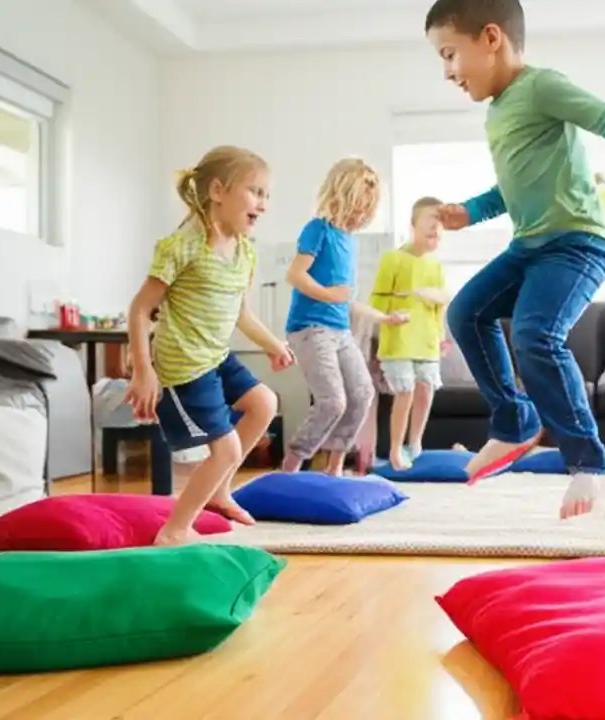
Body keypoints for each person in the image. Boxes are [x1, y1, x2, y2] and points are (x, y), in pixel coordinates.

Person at [424, 0, 605, 519]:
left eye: (450, 54)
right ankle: (513, 421)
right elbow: (512, 186)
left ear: (491, 37)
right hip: (530, 246)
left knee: (535, 334)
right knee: (465, 312)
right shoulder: (499, 111)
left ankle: (589, 460)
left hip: (578, 243)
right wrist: (468, 212)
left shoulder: (540, 86)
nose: (447, 71)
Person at [124, 145, 295, 546]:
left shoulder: (245, 252)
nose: (263, 205)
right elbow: (139, 309)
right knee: (226, 448)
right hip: (183, 366)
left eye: (267, 195)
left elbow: (241, 314)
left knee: (265, 403)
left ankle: (219, 492)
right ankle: (174, 529)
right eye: (255, 192)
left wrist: (273, 344)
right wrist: (144, 370)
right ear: (218, 191)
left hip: (216, 357)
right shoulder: (183, 245)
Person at [281, 158, 408, 476]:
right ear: (339, 197)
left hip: (339, 330)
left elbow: (347, 299)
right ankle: (291, 467)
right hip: (310, 328)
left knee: (363, 393)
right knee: (332, 401)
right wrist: (329, 295)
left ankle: (335, 469)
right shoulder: (318, 229)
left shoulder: (349, 241)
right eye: (356, 207)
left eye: (367, 210)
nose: (360, 216)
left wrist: (384, 318)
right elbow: (295, 275)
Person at [370, 196, 450, 470]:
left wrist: (440, 335)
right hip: (400, 340)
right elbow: (377, 300)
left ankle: (415, 443)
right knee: (404, 393)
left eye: (440, 222)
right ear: (413, 225)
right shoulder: (393, 259)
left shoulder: (436, 265)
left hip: (426, 339)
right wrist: (386, 319)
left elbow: (440, 305)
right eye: (430, 220)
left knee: (426, 391)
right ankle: (394, 450)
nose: (436, 227)